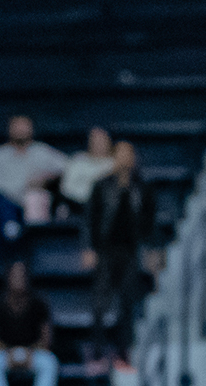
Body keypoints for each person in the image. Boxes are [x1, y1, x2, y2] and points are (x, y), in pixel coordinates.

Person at [83, 141, 160, 369]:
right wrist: (89, 248)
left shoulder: (143, 188)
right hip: (106, 251)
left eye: (129, 154)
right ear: (113, 157)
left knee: (127, 304)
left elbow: (149, 223)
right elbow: (90, 219)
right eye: (121, 154)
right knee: (99, 305)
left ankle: (123, 354)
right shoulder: (101, 185)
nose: (125, 159)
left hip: (130, 252)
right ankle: (97, 353)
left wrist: (152, 250)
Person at [0, 116, 67, 263]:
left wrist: (47, 179)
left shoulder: (42, 152)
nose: (20, 130)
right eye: (17, 126)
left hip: (32, 208)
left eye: (24, 126)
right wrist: (24, 188)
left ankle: (9, 231)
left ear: (31, 129)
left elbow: (68, 166)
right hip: (4, 205)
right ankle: (10, 227)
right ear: (9, 130)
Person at [0, 261, 57, 386]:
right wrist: (9, 353)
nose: (18, 279)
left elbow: (46, 339)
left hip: (33, 353)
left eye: (21, 275)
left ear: (27, 278)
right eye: (15, 275)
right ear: (8, 277)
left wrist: (30, 352)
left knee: (49, 362)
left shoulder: (38, 304)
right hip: (5, 353)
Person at [58, 127, 114, 216]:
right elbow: (66, 188)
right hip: (76, 206)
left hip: (106, 209)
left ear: (109, 142)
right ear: (89, 142)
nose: (98, 144)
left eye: (102, 140)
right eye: (95, 140)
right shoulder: (77, 160)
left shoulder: (114, 164)